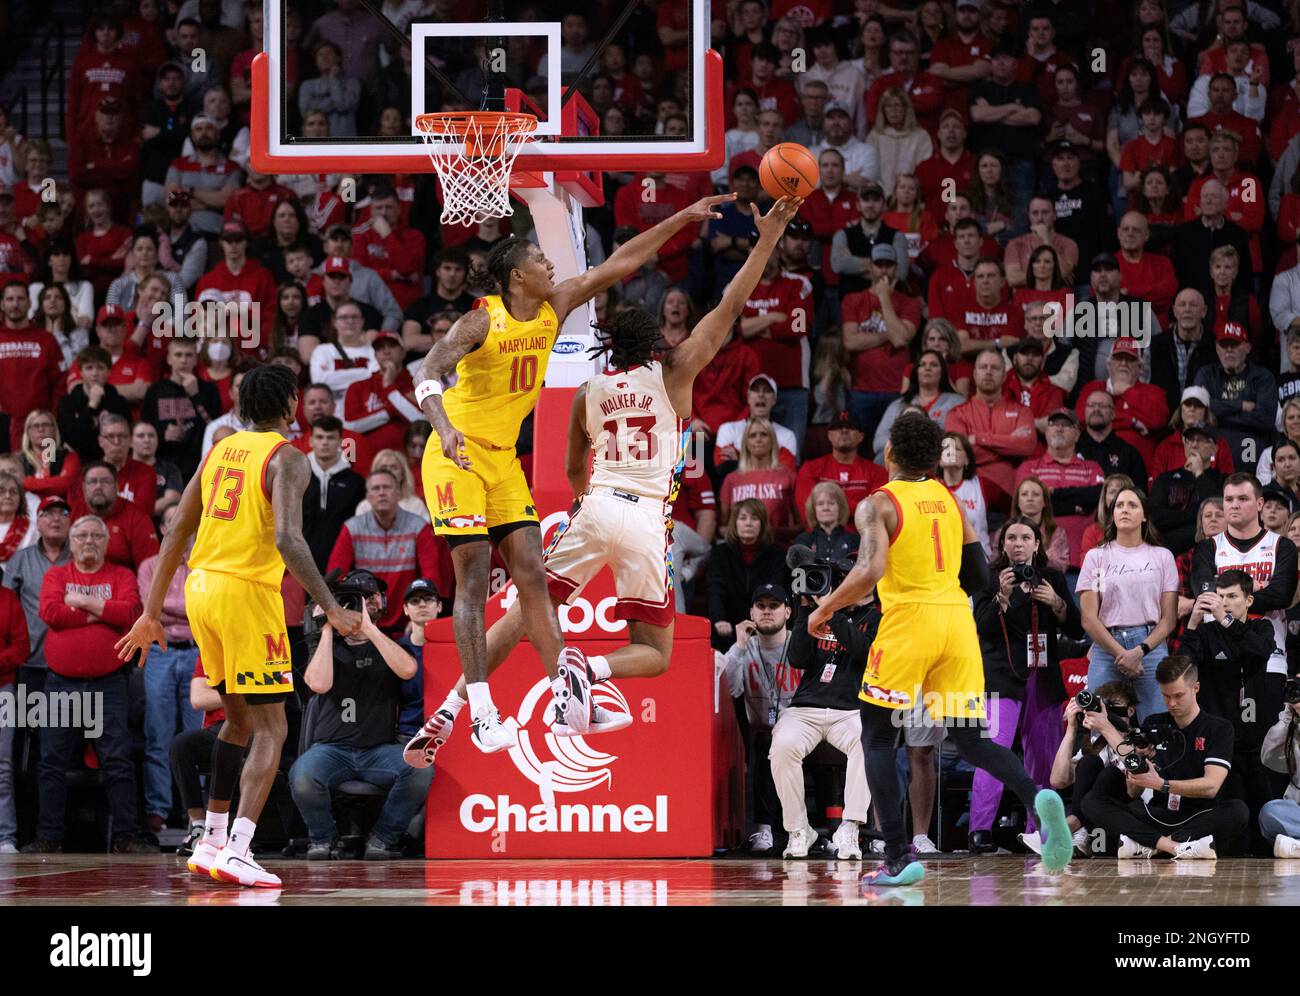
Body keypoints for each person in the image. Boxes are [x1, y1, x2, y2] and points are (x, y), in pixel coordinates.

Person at [407, 198, 805, 759]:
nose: (552, 266)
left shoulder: (588, 393)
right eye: (541, 259)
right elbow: (728, 302)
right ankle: (583, 671)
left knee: (525, 606)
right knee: (655, 652)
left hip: (592, 505)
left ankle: (455, 706)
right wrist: (760, 238)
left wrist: (578, 504)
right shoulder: (678, 371)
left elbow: (574, 468)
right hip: (639, 517)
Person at [115, 364, 364, 889]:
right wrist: (332, 609)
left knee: (239, 722)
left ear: (243, 406)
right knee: (275, 727)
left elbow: (176, 533)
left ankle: (210, 840)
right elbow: (289, 542)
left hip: (201, 589)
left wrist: (151, 611)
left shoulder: (219, 451)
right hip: (247, 593)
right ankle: (241, 848)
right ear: (293, 402)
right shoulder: (288, 458)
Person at [808, 413, 1073, 885]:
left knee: (877, 738)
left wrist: (824, 608)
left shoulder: (878, 504)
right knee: (972, 740)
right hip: (956, 625)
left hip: (909, 624)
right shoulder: (951, 502)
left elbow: (869, 571)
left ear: (889, 452)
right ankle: (1036, 798)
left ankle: (895, 856)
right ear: (933, 458)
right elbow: (979, 579)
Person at [29, 514, 152, 854]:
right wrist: (103, 610)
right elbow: (51, 612)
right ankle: (48, 838)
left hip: (108, 685)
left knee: (118, 762)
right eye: (81, 535)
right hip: (60, 685)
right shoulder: (56, 575)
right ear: (71, 541)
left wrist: (80, 601)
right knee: (51, 763)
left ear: (106, 541)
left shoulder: (121, 575)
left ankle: (126, 837)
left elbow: (130, 614)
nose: (88, 541)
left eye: (96, 535)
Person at [292, 570, 433, 860]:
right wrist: (329, 627)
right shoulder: (327, 646)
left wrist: (368, 628)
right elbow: (318, 684)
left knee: (420, 769)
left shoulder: (388, 643)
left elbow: (408, 669)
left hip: (377, 750)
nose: (359, 606)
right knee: (303, 775)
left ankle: (383, 838)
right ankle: (323, 840)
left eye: (367, 599)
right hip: (332, 749)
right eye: (351, 601)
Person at [969, 517, 1083, 853]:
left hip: (1042, 678)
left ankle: (1038, 830)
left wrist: (1057, 604)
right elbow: (983, 628)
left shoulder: (1053, 579)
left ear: (1037, 544)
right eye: (1012, 537)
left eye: (1026, 538)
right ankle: (980, 830)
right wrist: (1005, 597)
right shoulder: (990, 578)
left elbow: (1076, 630)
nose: (1018, 543)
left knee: (1043, 759)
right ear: (1003, 545)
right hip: (1002, 677)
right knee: (994, 751)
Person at [1081, 655, 1249, 859]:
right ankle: (1173, 847)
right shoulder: (1154, 723)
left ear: (1195, 688)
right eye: (1166, 696)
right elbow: (1133, 792)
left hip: (1199, 816)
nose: (1172, 703)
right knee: (1092, 802)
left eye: (1178, 695)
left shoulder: (1219, 728)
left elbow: (1211, 786)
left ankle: (1148, 845)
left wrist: (1162, 784)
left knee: (1238, 810)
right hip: (1158, 814)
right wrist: (1139, 769)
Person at [776, 583, 880, 860]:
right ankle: (798, 830)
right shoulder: (818, 614)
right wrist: (806, 610)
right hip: (805, 708)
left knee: (866, 741)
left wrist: (830, 608)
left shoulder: (877, 618)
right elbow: (797, 658)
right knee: (783, 745)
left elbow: (863, 652)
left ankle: (850, 827)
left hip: (850, 710)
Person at [1077, 485, 1180, 722]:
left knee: (1157, 727)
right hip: (1106, 647)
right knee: (1098, 725)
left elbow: (1169, 618)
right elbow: (1088, 618)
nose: (1124, 509)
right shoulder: (1097, 556)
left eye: (1132, 505)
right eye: (1119, 505)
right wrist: (1122, 653)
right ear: (1112, 514)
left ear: (1144, 515)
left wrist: (1140, 651)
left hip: (1151, 647)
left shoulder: (1162, 556)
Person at [944, 349, 1036, 514]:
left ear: (1004, 376)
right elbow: (953, 454)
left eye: (994, 368)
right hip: (967, 502)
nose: (988, 371)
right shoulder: (956, 414)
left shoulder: (1022, 411)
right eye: (983, 367)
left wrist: (978, 439)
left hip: (1009, 501)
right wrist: (1009, 445)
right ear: (974, 374)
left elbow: (1026, 446)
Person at [1150, 424, 1228, 555]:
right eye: (1190, 440)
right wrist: (1193, 514)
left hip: (1209, 549)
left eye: (1201, 440)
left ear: (1214, 449)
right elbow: (1155, 517)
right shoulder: (1166, 479)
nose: (1194, 444)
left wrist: (1199, 473)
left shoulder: (1222, 480)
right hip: (1168, 549)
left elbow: (1218, 511)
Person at [794, 411, 887, 514]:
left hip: (861, 530)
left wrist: (827, 506)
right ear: (829, 435)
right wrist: (857, 508)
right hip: (821, 530)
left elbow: (875, 510)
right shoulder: (810, 468)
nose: (844, 430)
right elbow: (807, 506)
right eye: (838, 427)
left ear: (861, 436)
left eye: (851, 427)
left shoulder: (878, 473)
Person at [1259, 695, 1300, 858]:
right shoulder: (1294, 725)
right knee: (1269, 812)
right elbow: (1267, 758)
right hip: (1296, 814)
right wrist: (1287, 718)